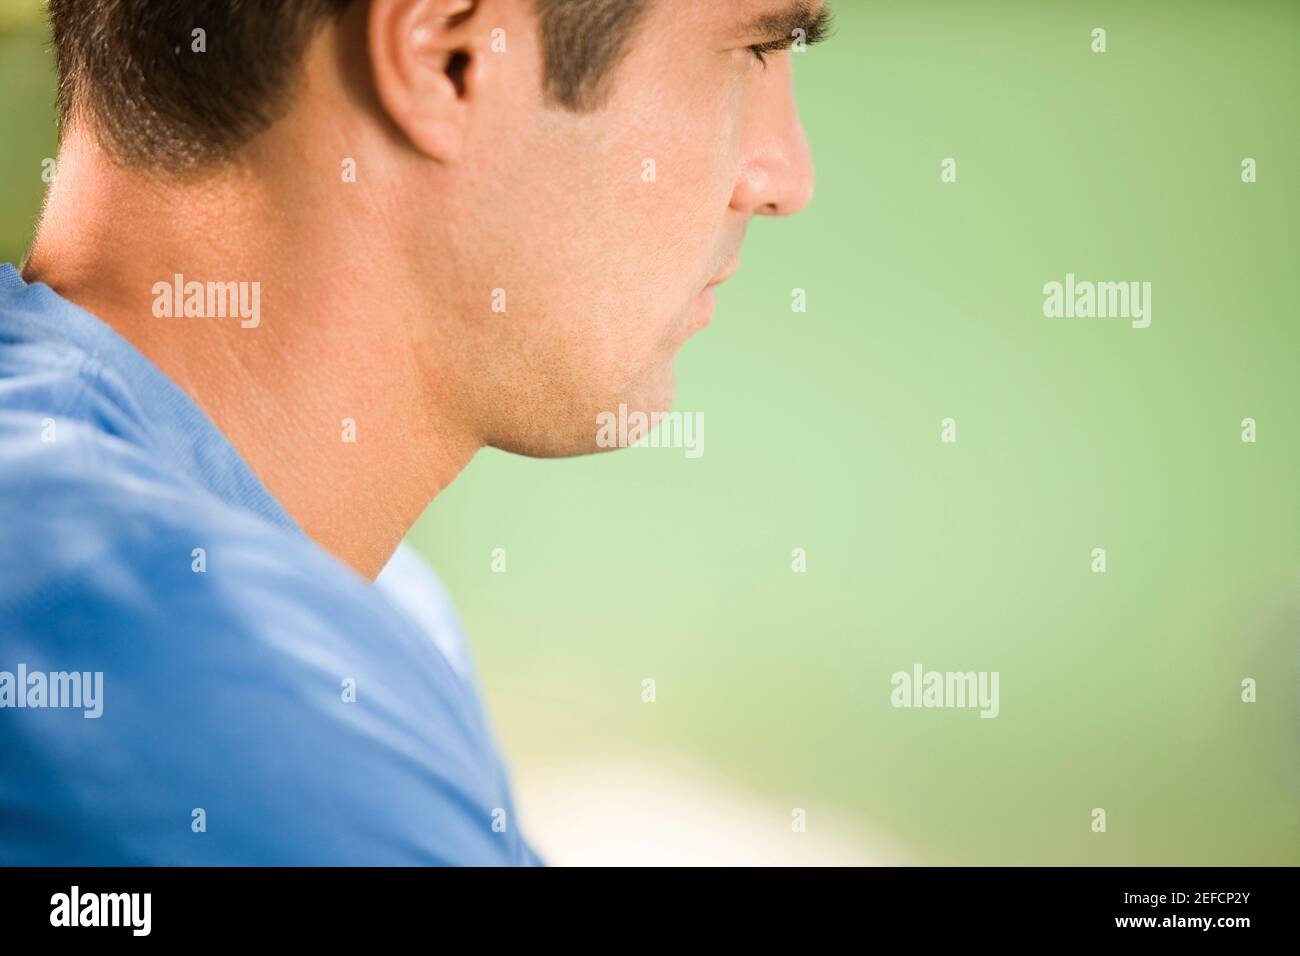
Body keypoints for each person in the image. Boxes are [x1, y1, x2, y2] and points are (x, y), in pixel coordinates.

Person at [0, 0, 826, 864]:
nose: (785, 179)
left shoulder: (378, 612)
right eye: (755, 49)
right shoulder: (205, 676)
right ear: (448, 55)